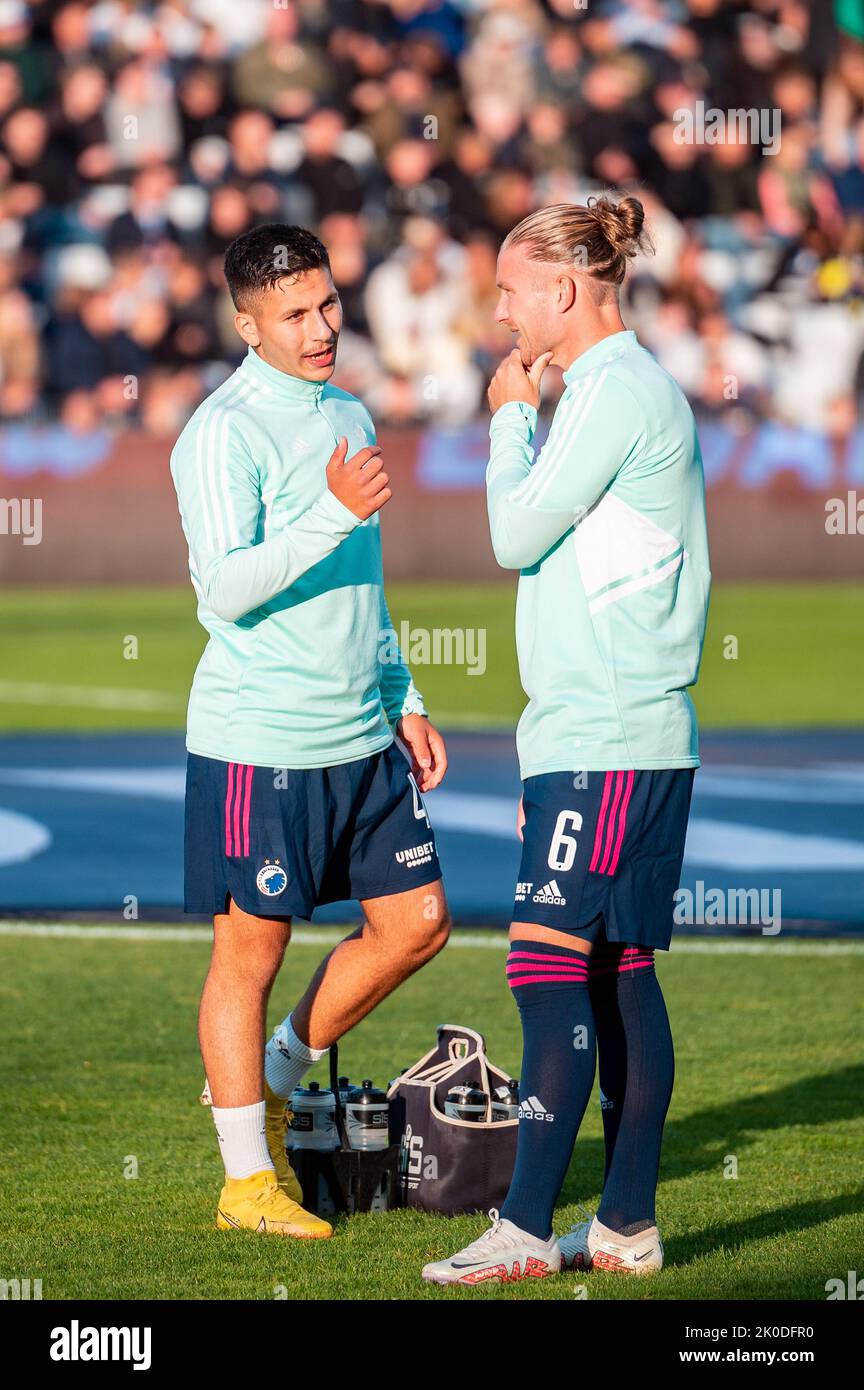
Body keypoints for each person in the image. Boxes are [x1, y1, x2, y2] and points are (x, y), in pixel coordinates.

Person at [423, 196, 710, 1286]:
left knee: (545, 969)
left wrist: (507, 415)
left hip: (608, 734)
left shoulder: (611, 391)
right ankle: (626, 1224)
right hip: (608, 734)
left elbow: (511, 533)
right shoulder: (611, 391)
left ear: (565, 287)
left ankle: (528, 1227)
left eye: (508, 290)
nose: (499, 313)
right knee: (616, 972)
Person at [170, 223, 450, 1238]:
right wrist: (329, 512)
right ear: (248, 324)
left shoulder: (350, 411)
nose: (321, 326)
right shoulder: (220, 431)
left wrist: (403, 693)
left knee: (417, 923)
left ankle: (274, 1077)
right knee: (253, 948)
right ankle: (246, 1183)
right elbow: (225, 590)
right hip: (261, 739)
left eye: (328, 303)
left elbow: (362, 587)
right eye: (294, 313)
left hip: (361, 734)